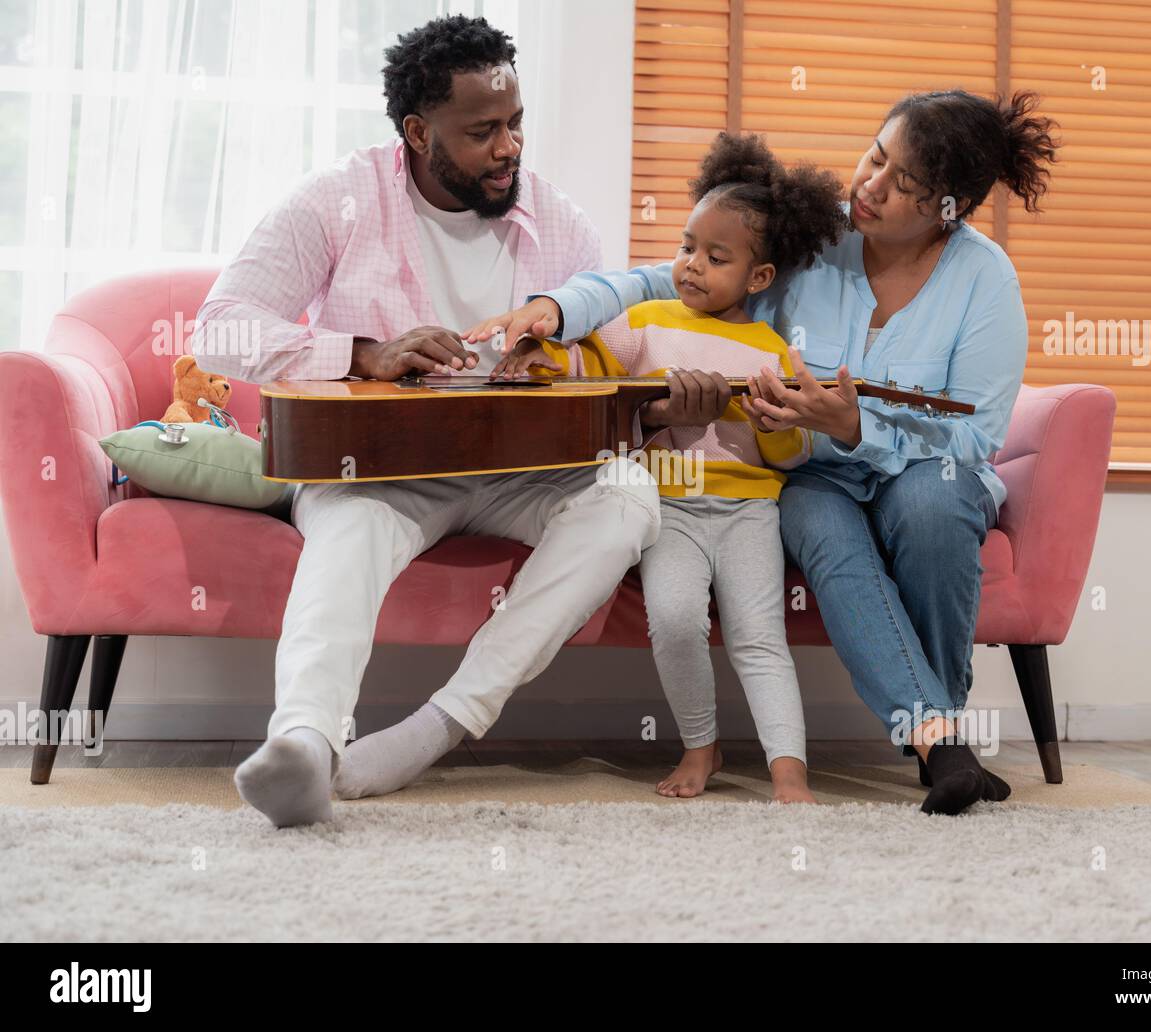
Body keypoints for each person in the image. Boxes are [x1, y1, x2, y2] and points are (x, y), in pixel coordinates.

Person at [465, 90, 1061, 816]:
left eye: (906, 184)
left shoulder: (985, 280)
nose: (871, 186)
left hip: (922, 469)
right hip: (813, 471)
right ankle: (945, 746)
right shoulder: (812, 236)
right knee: (822, 527)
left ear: (950, 207)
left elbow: (974, 438)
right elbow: (667, 279)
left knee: (933, 504)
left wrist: (856, 428)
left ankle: (937, 732)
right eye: (876, 156)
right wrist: (557, 310)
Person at [192, 15, 665, 827]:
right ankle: (305, 746)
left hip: (520, 471)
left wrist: (600, 370)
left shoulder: (560, 221)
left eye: (516, 123)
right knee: (344, 534)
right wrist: (363, 352)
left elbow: (623, 351)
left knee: (629, 500)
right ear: (417, 132)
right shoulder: (337, 200)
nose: (510, 147)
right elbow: (219, 328)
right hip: (379, 469)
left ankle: (437, 728)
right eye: (483, 131)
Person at [496, 133, 844, 802]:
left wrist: (769, 424)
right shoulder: (646, 319)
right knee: (677, 619)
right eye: (686, 247)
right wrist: (546, 359)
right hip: (670, 511)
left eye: (716, 258)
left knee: (758, 635)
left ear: (759, 277)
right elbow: (590, 368)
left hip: (749, 515)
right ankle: (700, 747)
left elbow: (791, 454)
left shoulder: (774, 351)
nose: (690, 265)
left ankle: (788, 770)